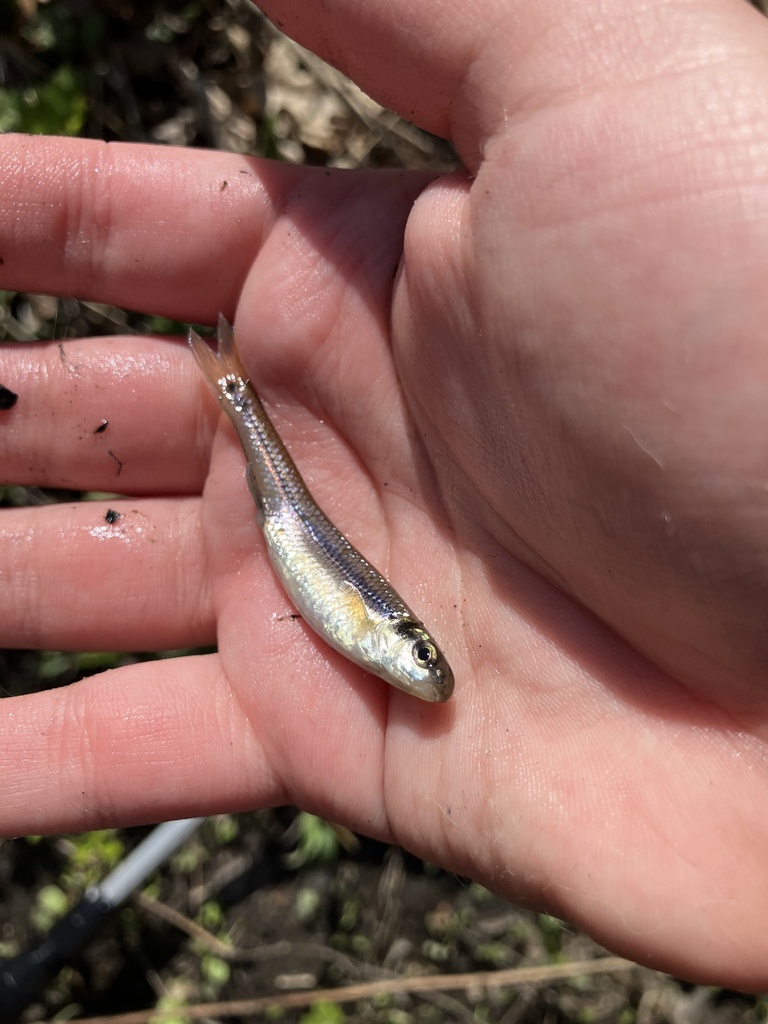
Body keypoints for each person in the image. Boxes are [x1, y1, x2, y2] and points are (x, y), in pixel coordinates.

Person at [2, 0, 768, 991]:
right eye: (419, 652)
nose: (423, 669)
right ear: (397, 637)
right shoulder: (378, 623)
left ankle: (230, 385)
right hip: (287, 513)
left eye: (420, 653)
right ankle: (230, 387)